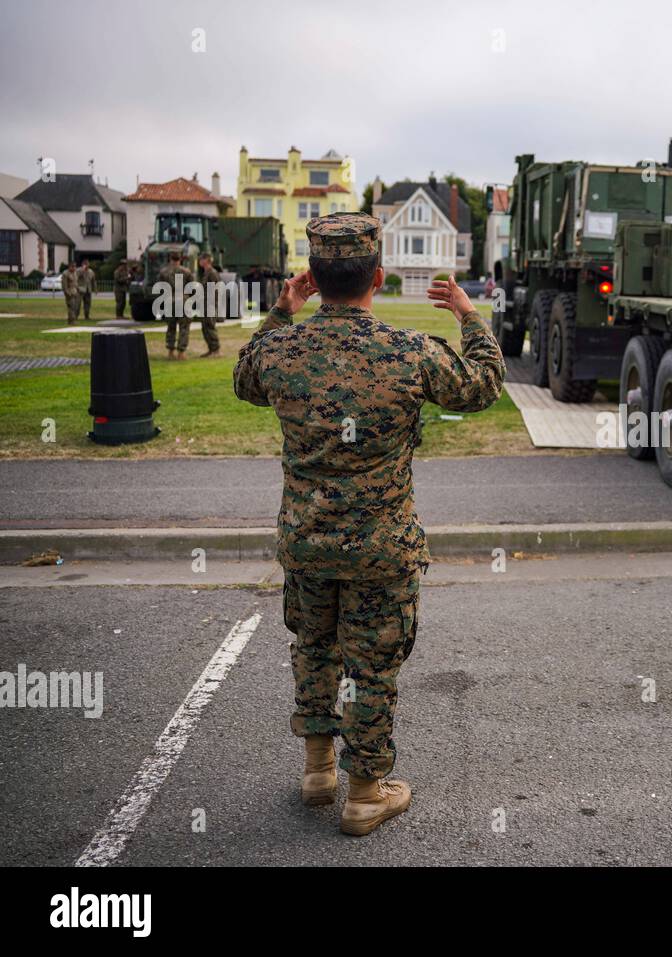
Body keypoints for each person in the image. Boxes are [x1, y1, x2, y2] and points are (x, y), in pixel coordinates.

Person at [232, 213, 503, 836]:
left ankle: (318, 768)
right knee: (373, 668)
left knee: (314, 649)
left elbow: (244, 379)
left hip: (305, 542)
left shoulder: (281, 348)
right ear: (377, 278)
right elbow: (484, 384)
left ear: (314, 277)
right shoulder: (409, 353)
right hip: (381, 548)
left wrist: (281, 311)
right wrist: (466, 312)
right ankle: (363, 793)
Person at [158, 251, 194, 359]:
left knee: (171, 327)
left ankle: (170, 351)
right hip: (183, 301)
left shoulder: (163, 272)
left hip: (169, 301)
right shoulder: (187, 271)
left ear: (170, 259)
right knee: (184, 327)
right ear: (180, 259)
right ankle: (181, 352)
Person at [196, 252, 222, 357]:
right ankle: (211, 349)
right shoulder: (206, 272)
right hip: (205, 303)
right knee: (205, 327)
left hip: (210, 304)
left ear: (206, 260)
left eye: (201, 259)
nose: (199, 261)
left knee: (210, 327)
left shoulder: (212, 273)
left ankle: (216, 350)